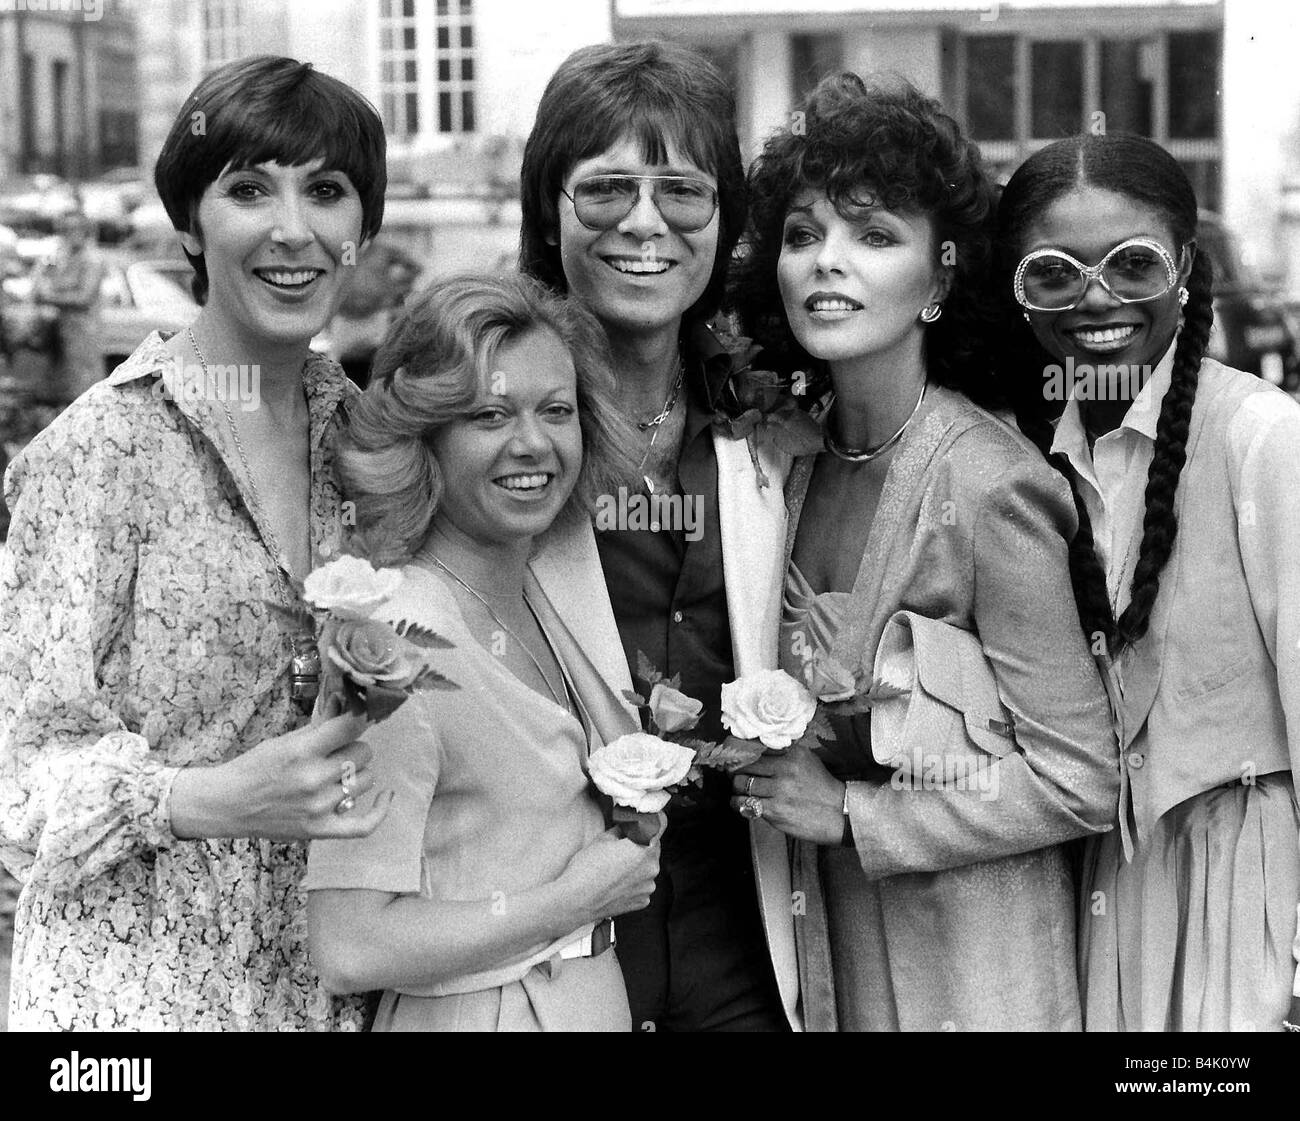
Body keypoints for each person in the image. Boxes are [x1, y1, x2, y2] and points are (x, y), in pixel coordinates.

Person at [0, 55, 389, 1031]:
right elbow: (13, 790)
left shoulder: (377, 446)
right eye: (249, 188)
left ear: (361, 232)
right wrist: (201, 797)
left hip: (331, 990)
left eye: (327, 192)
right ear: (189, 224)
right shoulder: (98, 450)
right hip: (133, 1004)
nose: (293, 229)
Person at [726, 73, 1119, 1031]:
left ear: (941, 276)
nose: (829, 263)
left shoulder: (989, 484)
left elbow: (1083, 776)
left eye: (874, 235)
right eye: (804, 234)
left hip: (982, 975)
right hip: (835, 952)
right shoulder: (788, 468)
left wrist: (857, 816)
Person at [519, 39, 797, 1031]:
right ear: (546, 215)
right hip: (551, 950)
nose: (644, 223)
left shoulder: (779, 428)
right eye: (603, 191)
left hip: (744, 948)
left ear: (723, 226)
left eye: (682, 192)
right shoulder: (482, 419)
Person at [999, 132, 1300, 1033]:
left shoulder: (1263, 440)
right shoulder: (1031, 456)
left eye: (1133, 264)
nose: (1096, 299)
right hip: (1108, 896)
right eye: (1053, 273)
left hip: (1251, 891)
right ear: (1017, 293)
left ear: (1185, 270)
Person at [306, 273, 661, 1032]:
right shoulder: (397, 643)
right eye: (489, 413)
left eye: (556, 411)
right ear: (424, 435)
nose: (532, 443)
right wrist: (572, 900)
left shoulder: (545, 588)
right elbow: (348, 942)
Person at [32, 211, 106, 402]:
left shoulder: (93, 260)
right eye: (65, 229)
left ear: (85, 231)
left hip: (84, 334)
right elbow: (39, 286)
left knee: (85, 391)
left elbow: (84, 298)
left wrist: (49, 297)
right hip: (59, 333)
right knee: (59, 392)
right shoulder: (59, 258)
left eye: (76, 228)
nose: (70, 233)